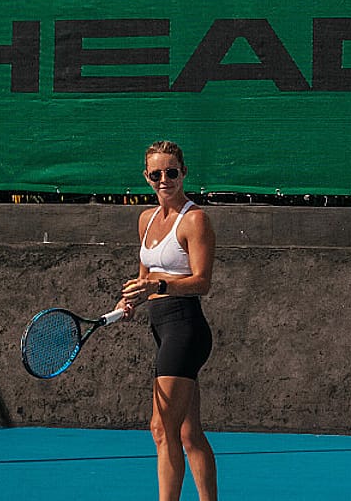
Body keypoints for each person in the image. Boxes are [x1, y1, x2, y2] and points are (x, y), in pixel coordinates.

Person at [119, 140, 218, 501]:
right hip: (160, 326)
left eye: (171, 172)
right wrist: (130, 297)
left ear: (183, 173)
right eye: (157, 174)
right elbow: (145, 271)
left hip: (186, 329)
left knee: (161, 429)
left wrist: (157, 285)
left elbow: (202, 282)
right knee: (188, 433)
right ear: (147, 178)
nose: (165, 179)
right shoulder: (145, 219)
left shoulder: (195, 220)